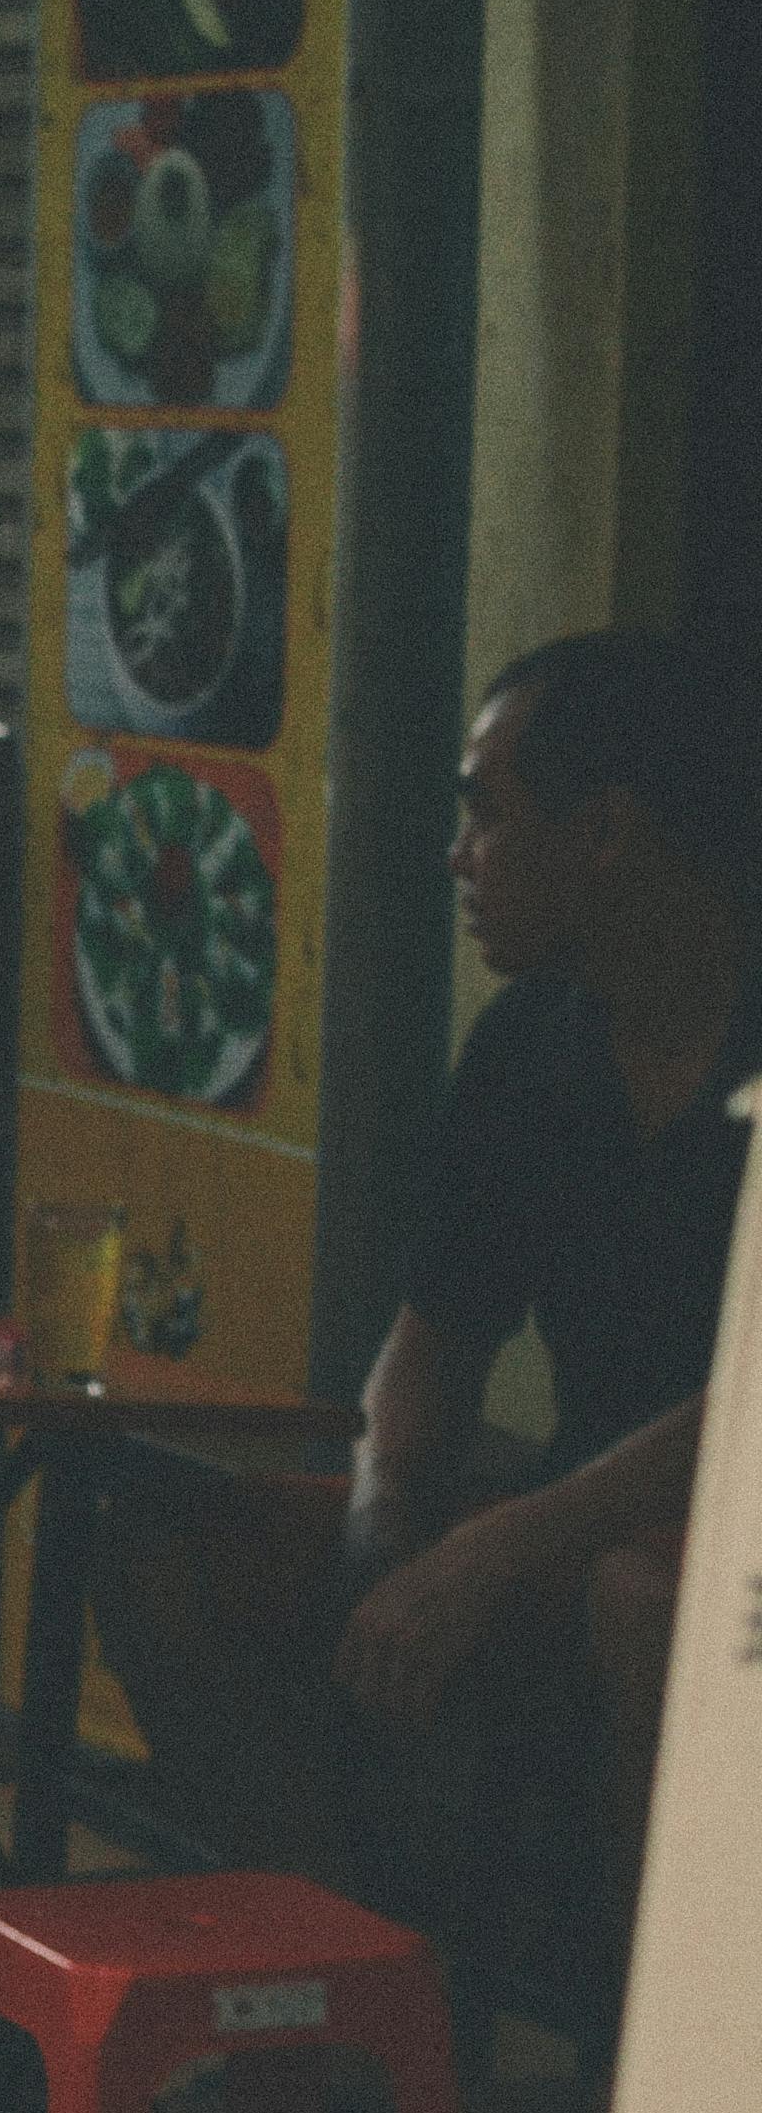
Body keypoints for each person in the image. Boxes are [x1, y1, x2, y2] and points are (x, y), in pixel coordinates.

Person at [338, 630, 755, 1957]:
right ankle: (346, 2003)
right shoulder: (529, 1047)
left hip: (704, 1545)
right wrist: (388, 1515)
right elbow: (429, 1344)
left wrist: (504, 1546)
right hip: (572, 1520)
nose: (459, 857)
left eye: (485, 814)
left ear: (609, 834)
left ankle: (638, 2112)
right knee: (195, 1559)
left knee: (641, 1600)